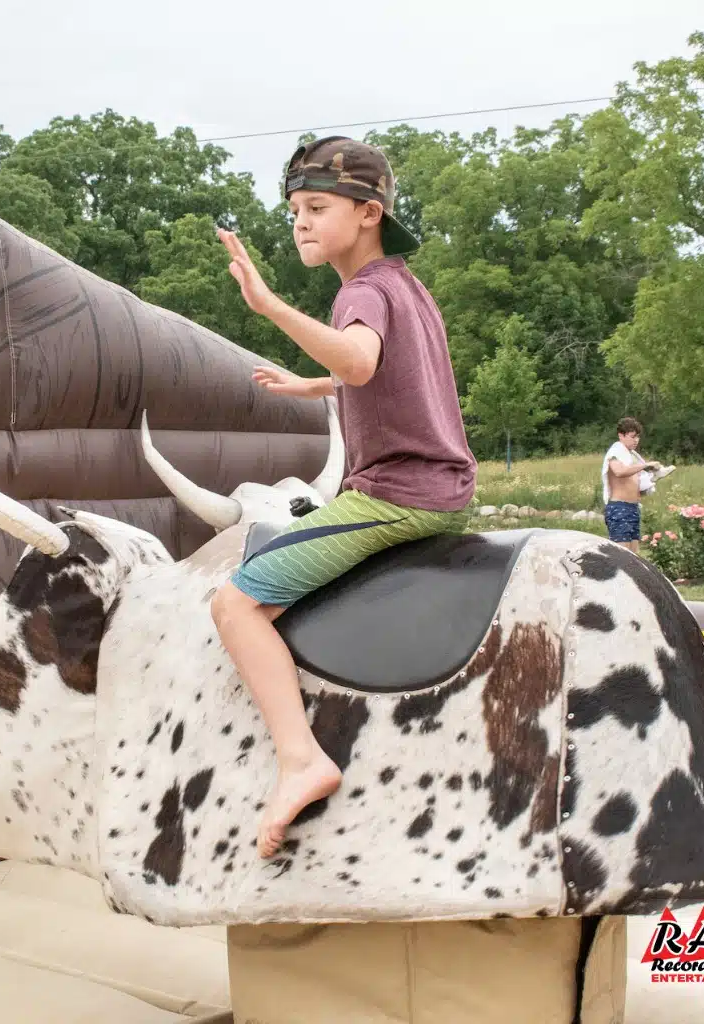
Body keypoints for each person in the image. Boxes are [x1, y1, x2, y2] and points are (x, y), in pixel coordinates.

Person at [210, 136, 478, 858]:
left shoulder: (358, 293)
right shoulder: (403, 286)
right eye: (295, 208)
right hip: (444, 486)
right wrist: (313, 386)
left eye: (317, 207)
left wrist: (267, 307)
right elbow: (382, 373)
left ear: (368, 213)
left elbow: (360, 360)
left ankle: (301, 758)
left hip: (394, 495)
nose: (299, 222)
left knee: (235, 602)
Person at [601, 417, 672, 552]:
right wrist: (645, 465)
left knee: (635, 558)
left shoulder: (632, 457)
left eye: (638, 437)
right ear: (621, 435)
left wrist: (653, 478)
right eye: (632, 436)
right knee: (623, 556)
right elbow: (619, 471)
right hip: (619, 508)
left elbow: (639, 489)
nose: (636, 440)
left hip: (633, 509)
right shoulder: (615, 452)